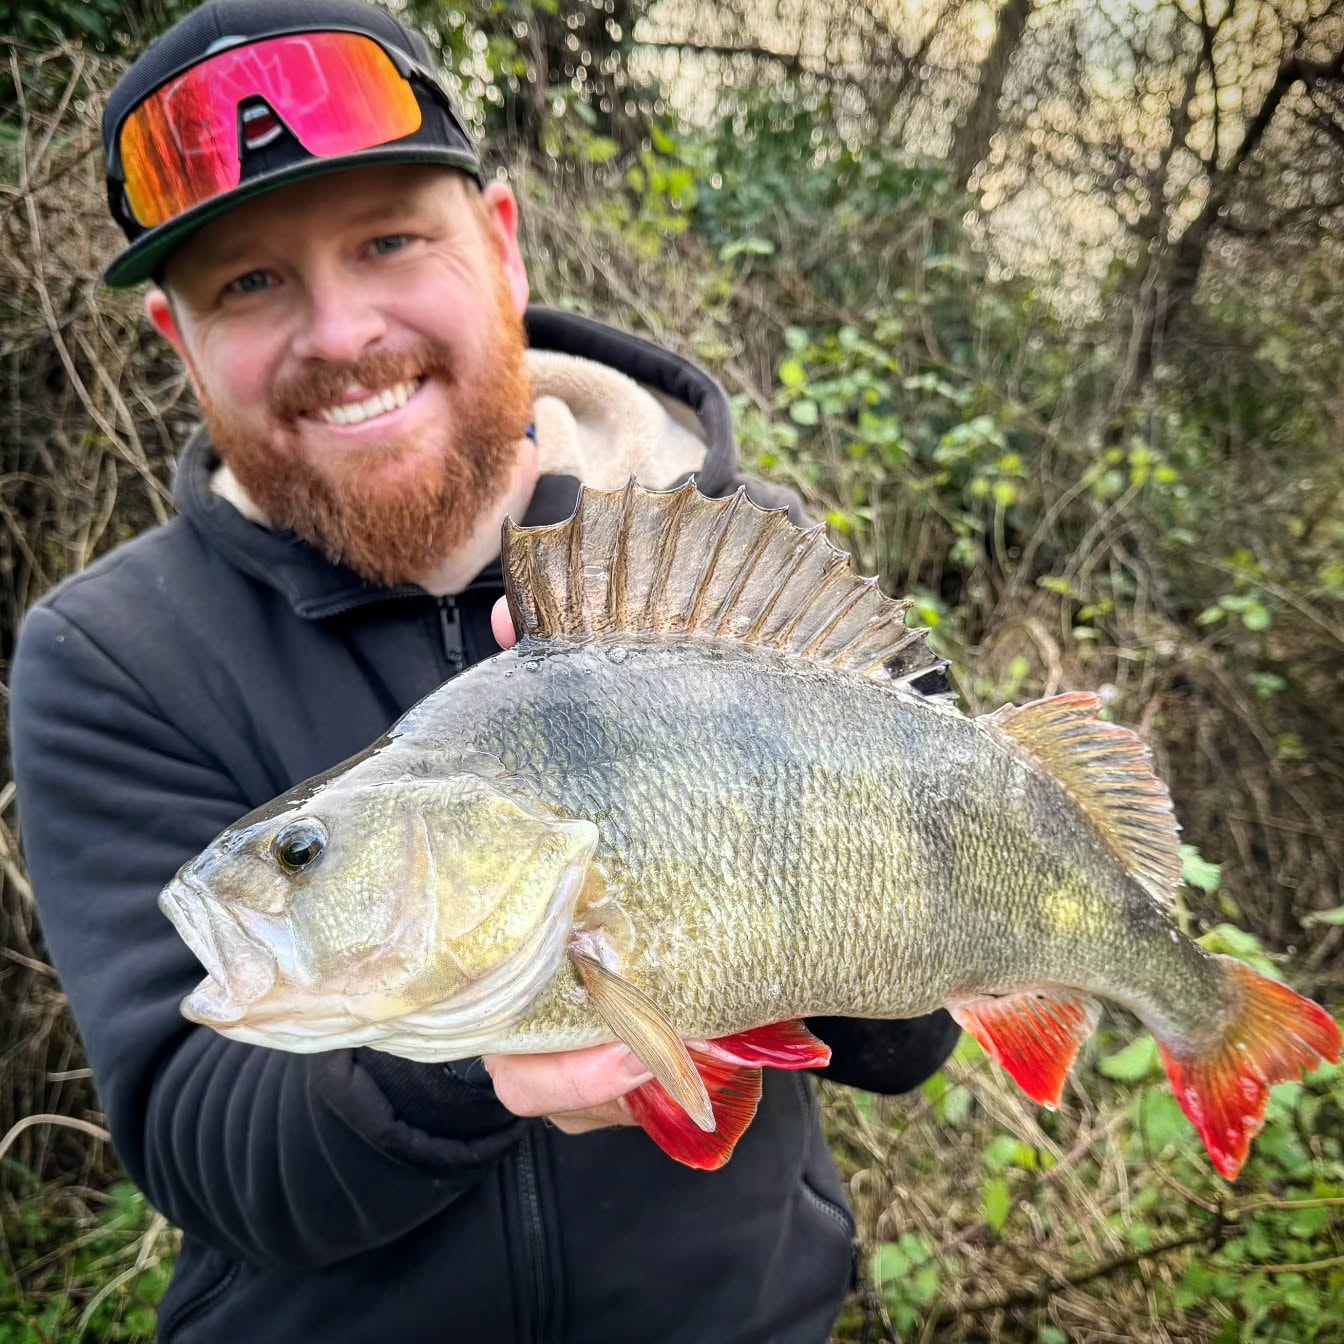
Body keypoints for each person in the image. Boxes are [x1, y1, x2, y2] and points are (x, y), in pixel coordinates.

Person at [9, 2, 960, 1340]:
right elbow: (199, 1139)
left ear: (501, 246)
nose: (339, 333)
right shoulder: (109, 658)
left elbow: (916, 1046)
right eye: (249, 283)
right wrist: (481, 1049)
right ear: (180, 344)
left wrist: (796, 894)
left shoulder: (743, 555)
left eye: (389, 240)